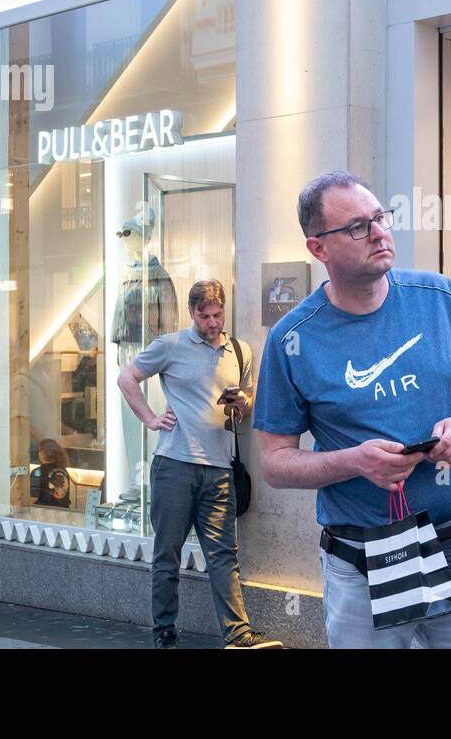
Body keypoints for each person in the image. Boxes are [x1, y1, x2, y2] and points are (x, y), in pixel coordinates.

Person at [253, 171, 451, 649]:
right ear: (318, 249)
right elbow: (274, 463)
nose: (379, 233)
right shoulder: (292, 338)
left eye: (380, 218)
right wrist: (354, 461)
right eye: (357, 227)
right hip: (362, 563)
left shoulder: (439, 297)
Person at [117, 279, 280, 650]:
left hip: (220, 468)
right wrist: (150, 418)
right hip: (174, 465)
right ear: (192, 313)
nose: (212, 322)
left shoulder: (240, 351)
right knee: (167, 554)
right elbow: (126, 378)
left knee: (224, 555)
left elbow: (249, 401)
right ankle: (164, 633)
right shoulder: (170, 346)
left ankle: (238, 634)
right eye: (204, 316)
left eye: (218, 315)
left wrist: (242, 403)